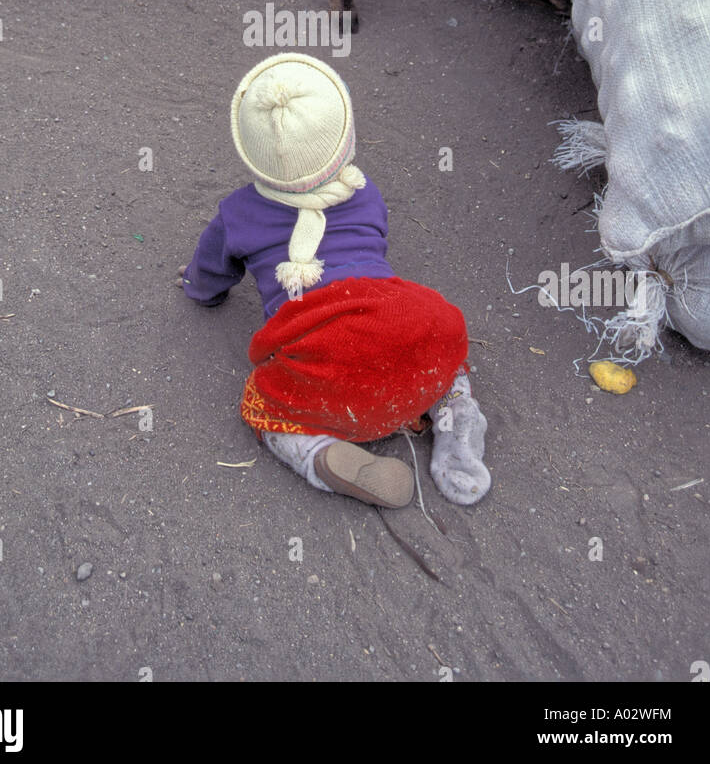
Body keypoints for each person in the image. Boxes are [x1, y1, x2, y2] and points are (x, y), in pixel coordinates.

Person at [180, 52, 491, 509]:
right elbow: (374, 248)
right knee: (440, 351)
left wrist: (198, 289)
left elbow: (208, 278)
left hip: (325, 350)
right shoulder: (367, 193)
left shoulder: (237, 212)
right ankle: (454, 408)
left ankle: (319, 454)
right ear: (345, 143)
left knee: (264, 408)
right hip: (404, 323)